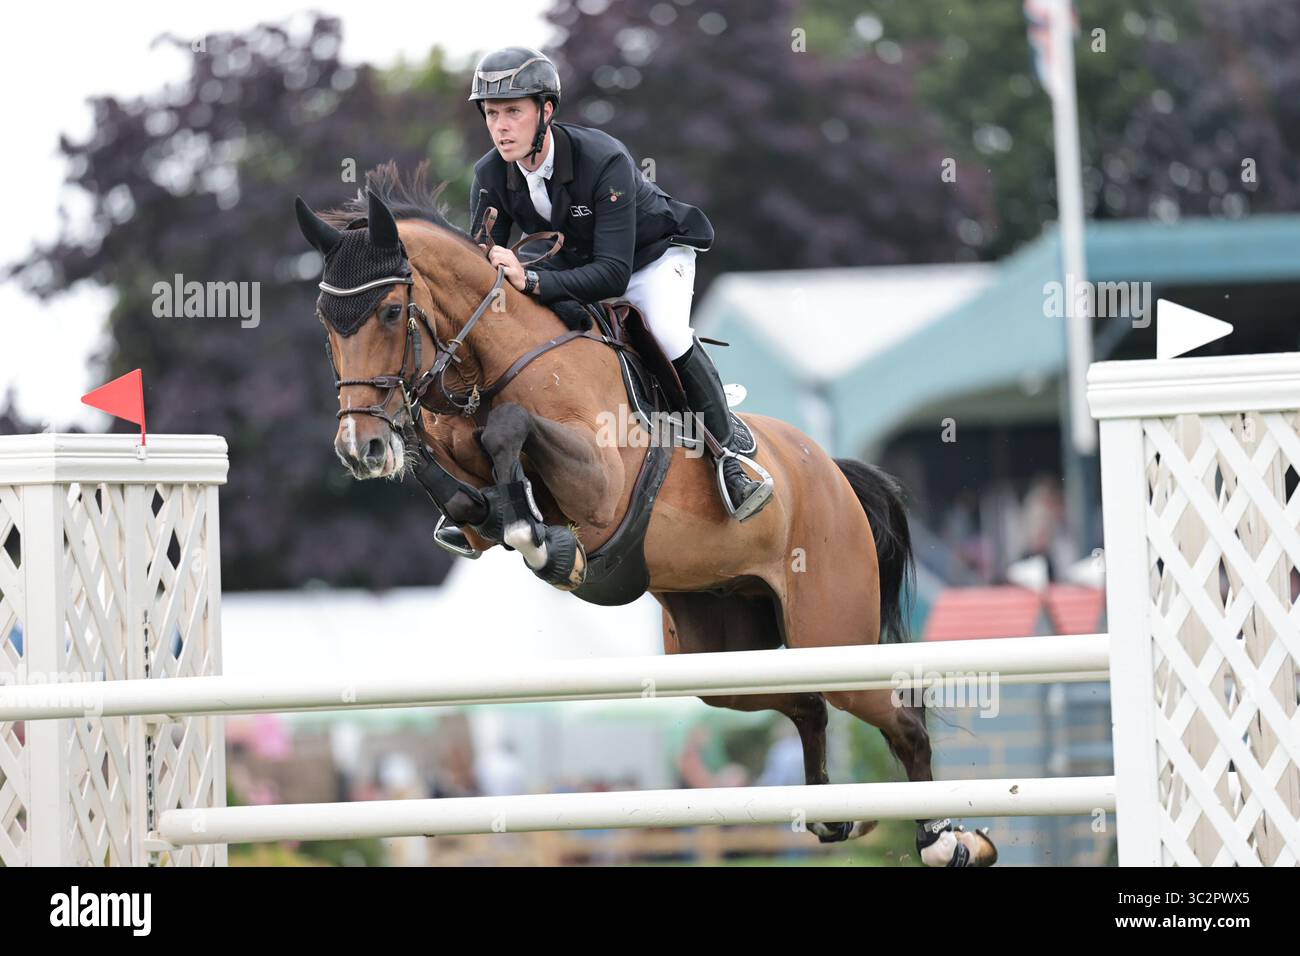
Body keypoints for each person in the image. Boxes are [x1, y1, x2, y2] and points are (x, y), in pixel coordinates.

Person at [434, 46, 772, 556]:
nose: (501, 126)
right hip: (571, 265)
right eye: (492, 114)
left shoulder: (602, 158)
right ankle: (490, 497)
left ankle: (730, 455)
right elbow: (486, 271)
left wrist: (532, 282)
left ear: (546, 111)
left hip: (651, 259)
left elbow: (615, 272)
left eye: (514, 112)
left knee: (667, 330)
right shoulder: (490, 174)